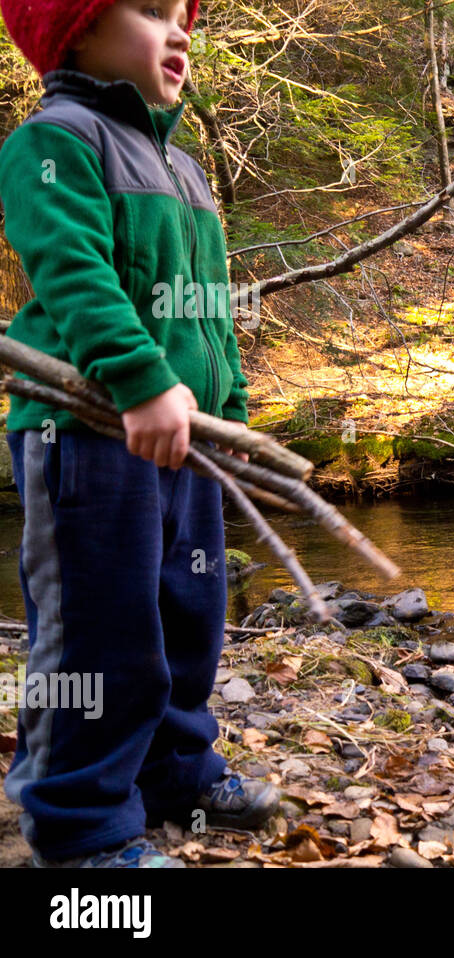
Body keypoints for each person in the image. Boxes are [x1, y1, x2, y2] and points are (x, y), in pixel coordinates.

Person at [0, 0, 279, 868]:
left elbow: (210, 304)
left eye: (183, 12)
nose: (180, 29)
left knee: (188, 613)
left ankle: (174, 769)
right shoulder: (54, 142)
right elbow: (75, 272)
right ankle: (77, 819)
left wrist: (226, 406)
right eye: (152, 11)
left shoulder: (186, 167)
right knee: (99, 628)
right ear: (76, 28)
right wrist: (142, 379)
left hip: (185, 437)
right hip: (86, 436)